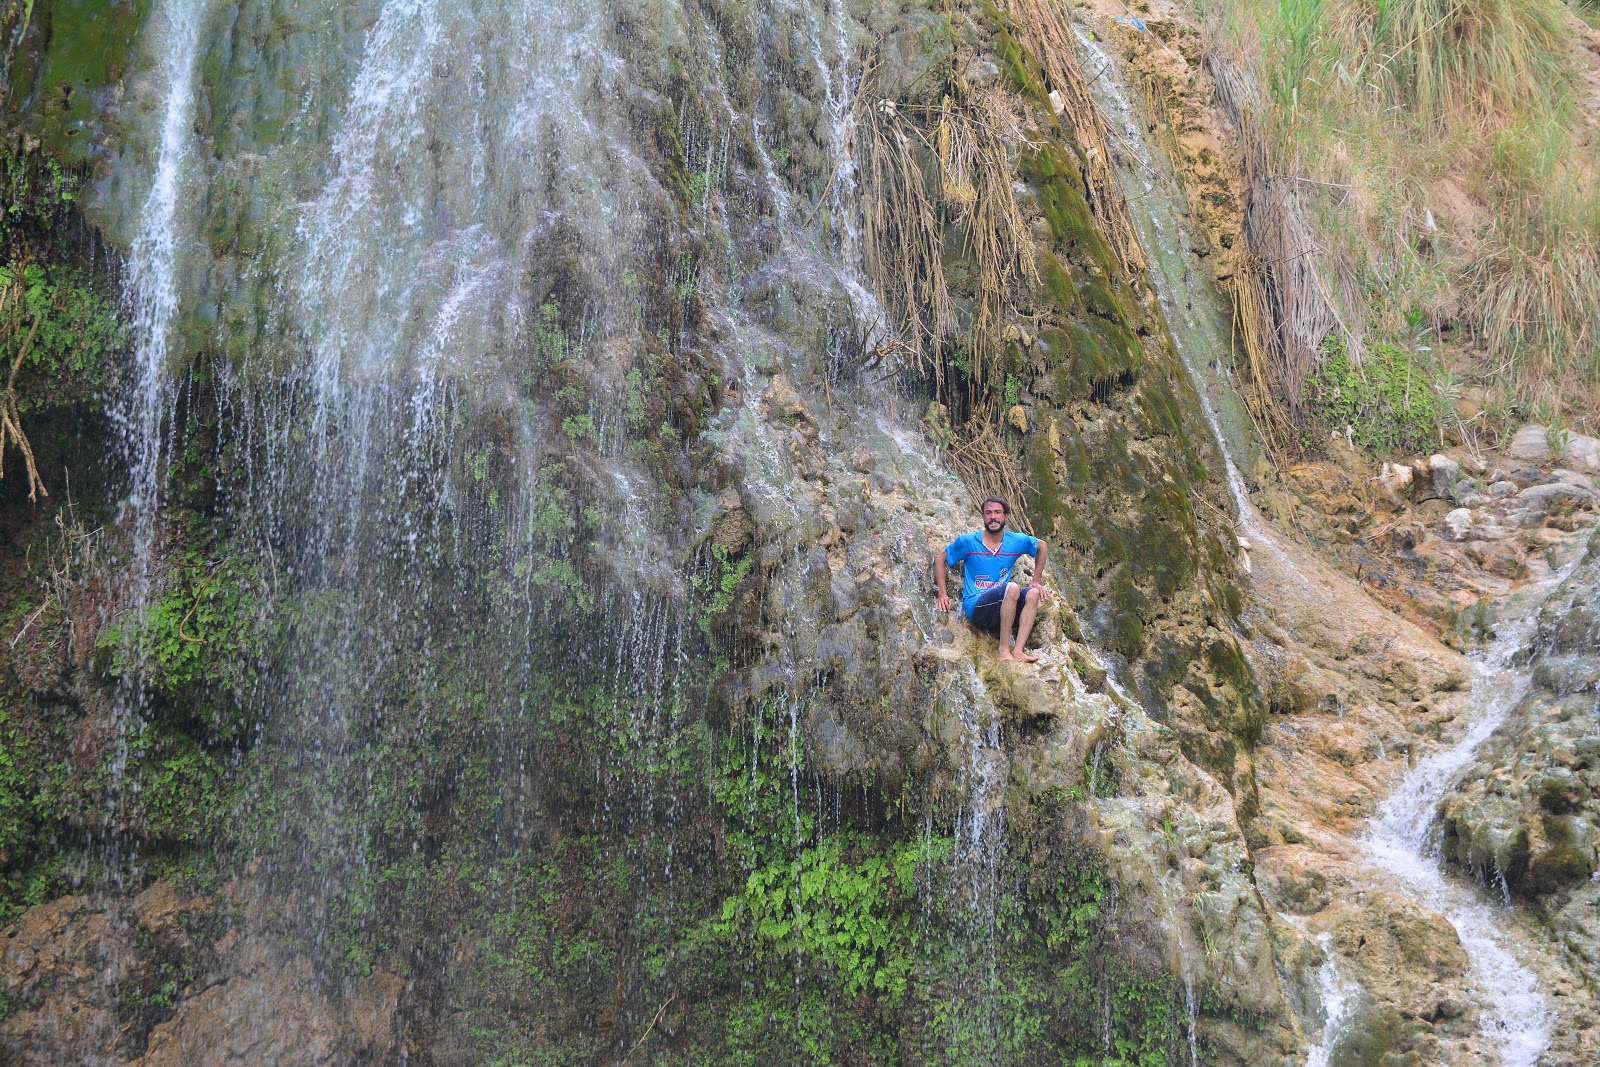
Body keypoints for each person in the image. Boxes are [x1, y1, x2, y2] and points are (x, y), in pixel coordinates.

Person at [935, 498, 1051, 663]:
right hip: (976, 608)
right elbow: (941, 558)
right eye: (988, 513)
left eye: (997, 512)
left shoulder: (1015, 541)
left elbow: (1042, 546)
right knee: (1011, 588)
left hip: (1003, 610)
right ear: (983, 517)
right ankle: (1003, 651)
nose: (993, 517)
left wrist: (1036, 581)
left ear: (1006, 516)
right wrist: (942, 594)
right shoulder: (968, 542)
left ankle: (1018, 651)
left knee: (1032, 594)